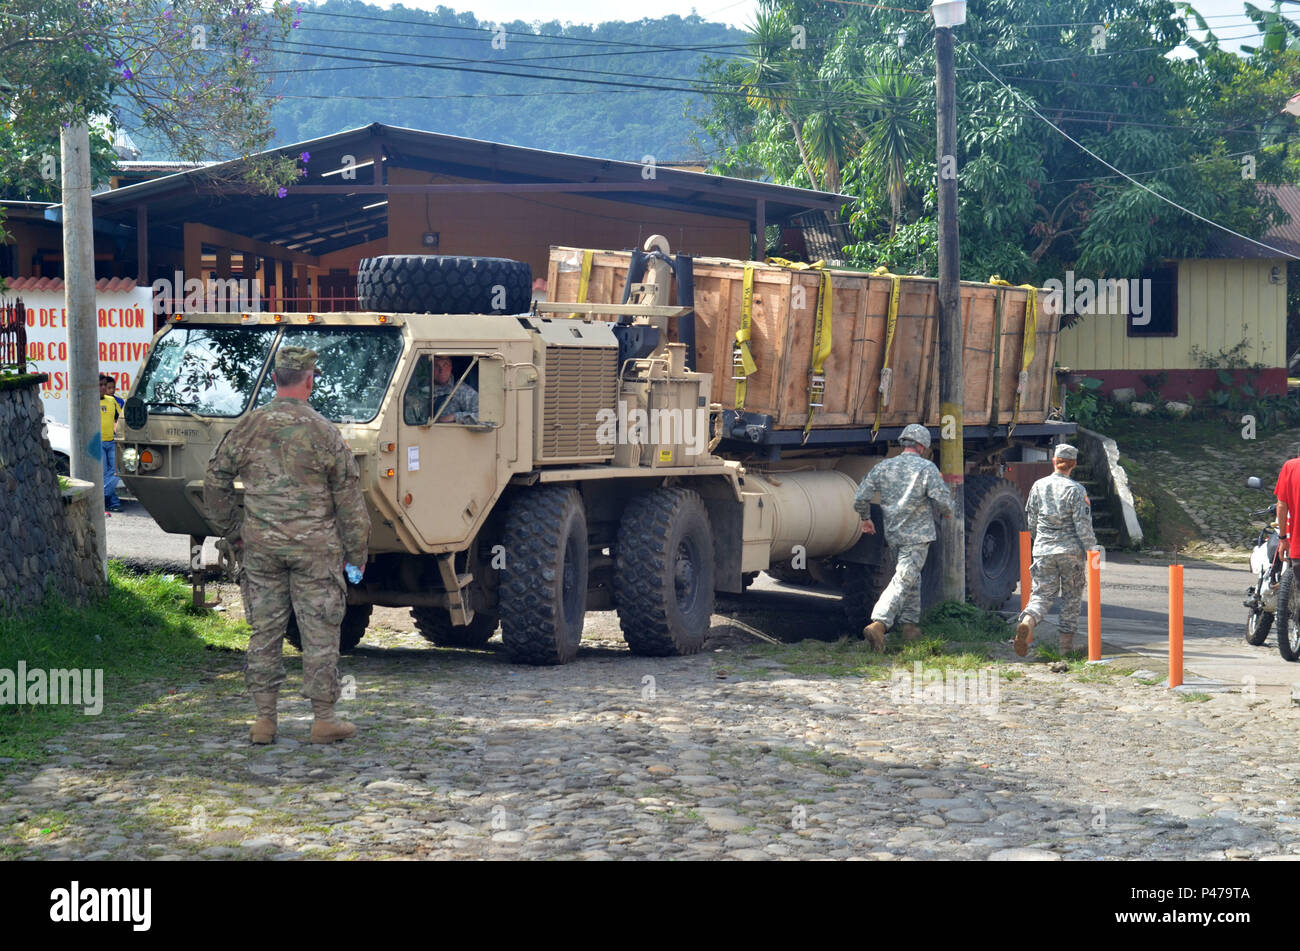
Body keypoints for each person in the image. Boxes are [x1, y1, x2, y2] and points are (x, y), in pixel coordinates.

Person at [204, 346, 370, 745]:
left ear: (275, 379)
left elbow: (214, 481)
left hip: (261, 548)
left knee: (265, 631)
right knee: (320, 632)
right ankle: (324, 719)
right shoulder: (324, 432)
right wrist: (356, 554)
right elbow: (350, 499)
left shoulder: (248, 426)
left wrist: (234, 530)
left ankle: (264, 721)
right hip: (316, 551)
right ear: (310, 380)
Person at [853, 423, 954, 651]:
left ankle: (910, 628)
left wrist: (865, 518)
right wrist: (948, 512)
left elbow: (860, 496)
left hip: (893, 534)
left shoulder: (884, 467)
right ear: (922, 445)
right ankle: (879, 623)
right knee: (903, 578)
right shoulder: (927, 469)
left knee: (910, 578)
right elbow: (944, 502)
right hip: (917, 536)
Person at [1015, 443, 1098, 657]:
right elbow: (1082, 526)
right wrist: (1093, 550)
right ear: (1074, 465)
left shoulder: (1038, 486)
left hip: (1043, 549)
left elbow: (1031, 520)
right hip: (1070, 552)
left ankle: (1027, 621)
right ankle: (1064, 649)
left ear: (1054, 461)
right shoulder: (1077, 490)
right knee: (1071, 598)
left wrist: (1041, 541)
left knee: (1041, 595)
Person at [99, 374, 123, 513]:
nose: (103, 387)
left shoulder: (112, 400)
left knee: (116, 472)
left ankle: (99, 497)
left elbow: (120, 419)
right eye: (100, 385)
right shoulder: (88, 401)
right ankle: (114, 502)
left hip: (112, 441)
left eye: (104, 385)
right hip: (97, 443)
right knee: (102, 474)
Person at [433, 354, 477, 424]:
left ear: (451, 367)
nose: (441, 370)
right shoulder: (419, 389)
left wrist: (455, 417)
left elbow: (488, 421)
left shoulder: (462, 391)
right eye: (436, 366)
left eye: (445, 365)